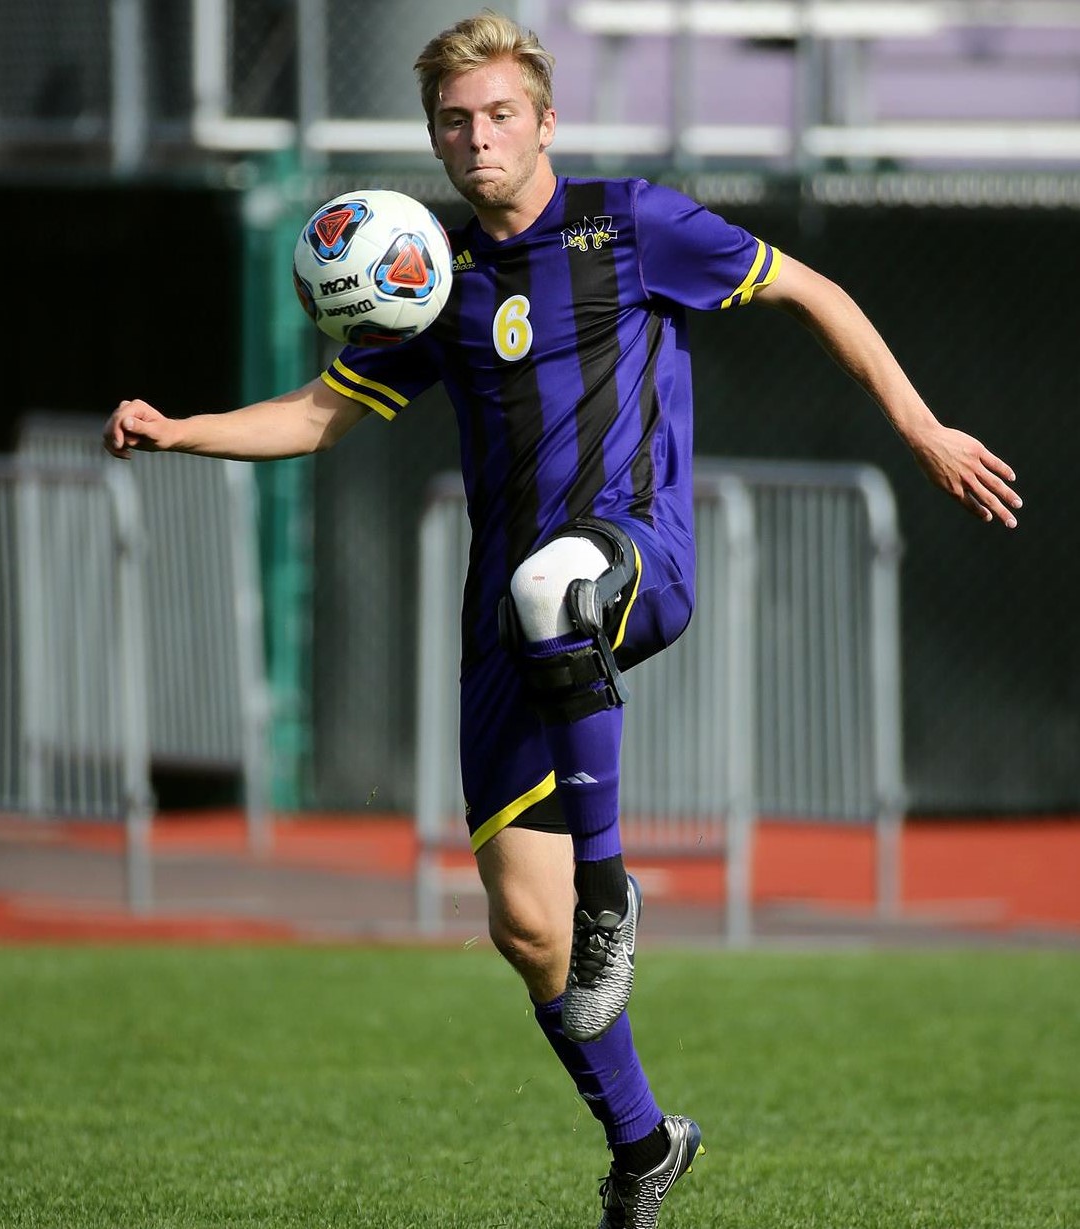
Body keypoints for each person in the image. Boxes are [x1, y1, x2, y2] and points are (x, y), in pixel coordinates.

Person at [103, 10, 1022, 1226]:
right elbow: (321, 411)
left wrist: (918, 425)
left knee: (556, 612)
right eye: (453, 121)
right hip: (508, 620)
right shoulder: (428, 274)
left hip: (638, 552)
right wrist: (182, 431)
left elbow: (815, 288)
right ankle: (643, 1144)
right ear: (432, 138)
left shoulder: (631, 222)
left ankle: (614, 893)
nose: (477, 138)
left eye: (498, 115)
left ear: (544, 120)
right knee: (525, 931)